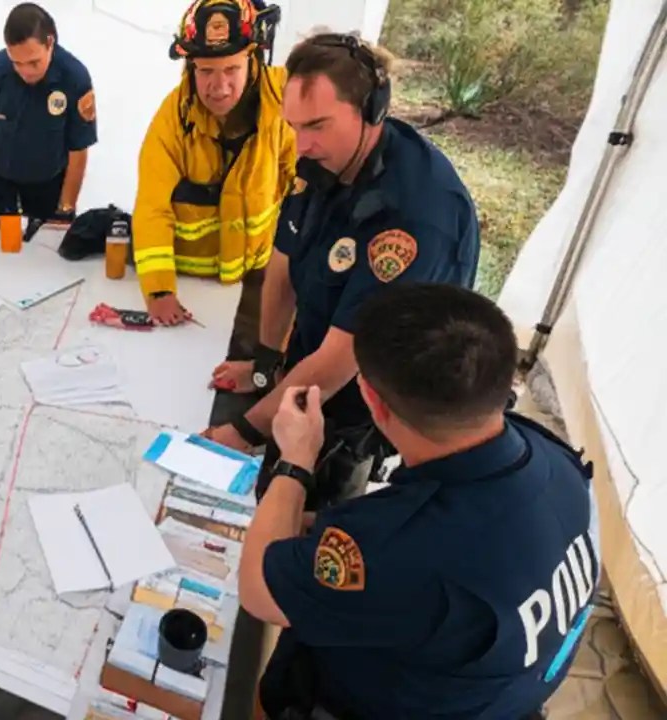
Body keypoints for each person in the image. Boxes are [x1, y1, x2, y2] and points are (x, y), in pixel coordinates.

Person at [238, 283, 600, 719]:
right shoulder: (553, 459)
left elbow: (258, 591)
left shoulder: (400, 548)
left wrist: (296, 461)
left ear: (371, 398)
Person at [204, 33, 480, 508]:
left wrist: (244, 431)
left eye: (317, 126)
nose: (301, 144)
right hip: (314, 362)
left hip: (367, 400)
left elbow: (338, 363)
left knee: (308, 519)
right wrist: (267, 369)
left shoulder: (413, 216)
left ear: (371, 110)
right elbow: (284, 265)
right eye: (293, 126)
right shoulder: (325, 158)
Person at [133, 0, 296, 347]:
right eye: (205, 71)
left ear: (253, 60)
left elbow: (302, 186)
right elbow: (152, 207)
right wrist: (160, 289)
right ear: (190, 67)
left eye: (231, 70)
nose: (218, 87)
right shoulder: (172, 119)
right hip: (189, 286)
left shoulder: (282, 101)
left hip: (258, 275)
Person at [0, 2, 97, 245]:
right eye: (16, 63)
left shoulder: (74, 78)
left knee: (45, 261)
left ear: (50, 43)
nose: (25, 72)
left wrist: (65, 210)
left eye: (33, 62)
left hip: (49, 184)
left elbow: (78, 151)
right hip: (2, 183)